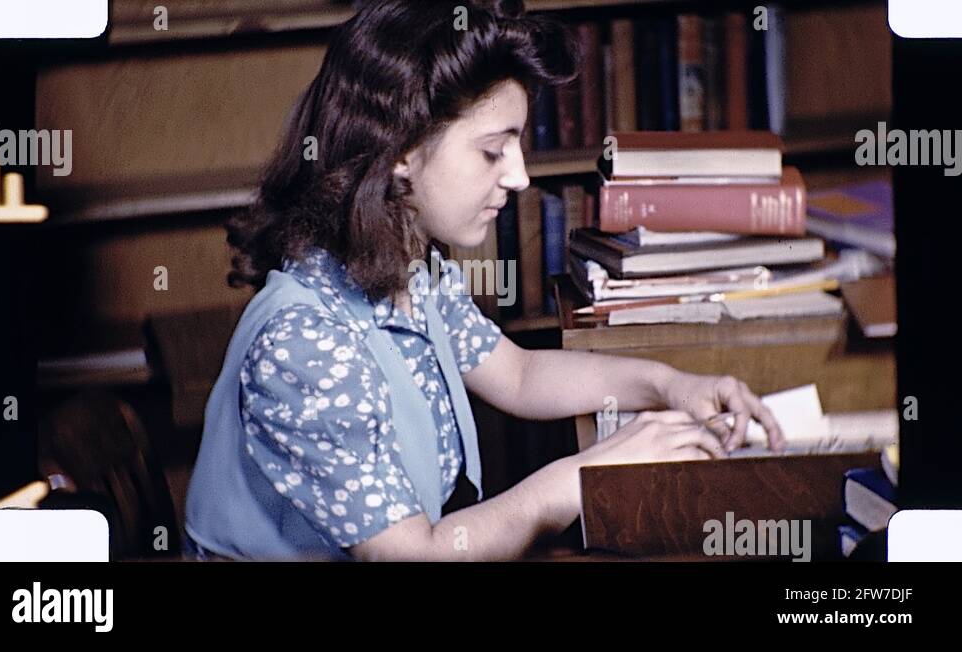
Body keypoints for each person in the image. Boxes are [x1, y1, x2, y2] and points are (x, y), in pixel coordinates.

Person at [184, 0, 785, 562]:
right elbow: (413, 556)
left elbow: (518, 374)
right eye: (493, 151)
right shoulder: (305, 345)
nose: (521, 177)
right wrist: (587, 475)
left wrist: (670, 384)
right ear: (400, 151)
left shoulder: (407, 265)